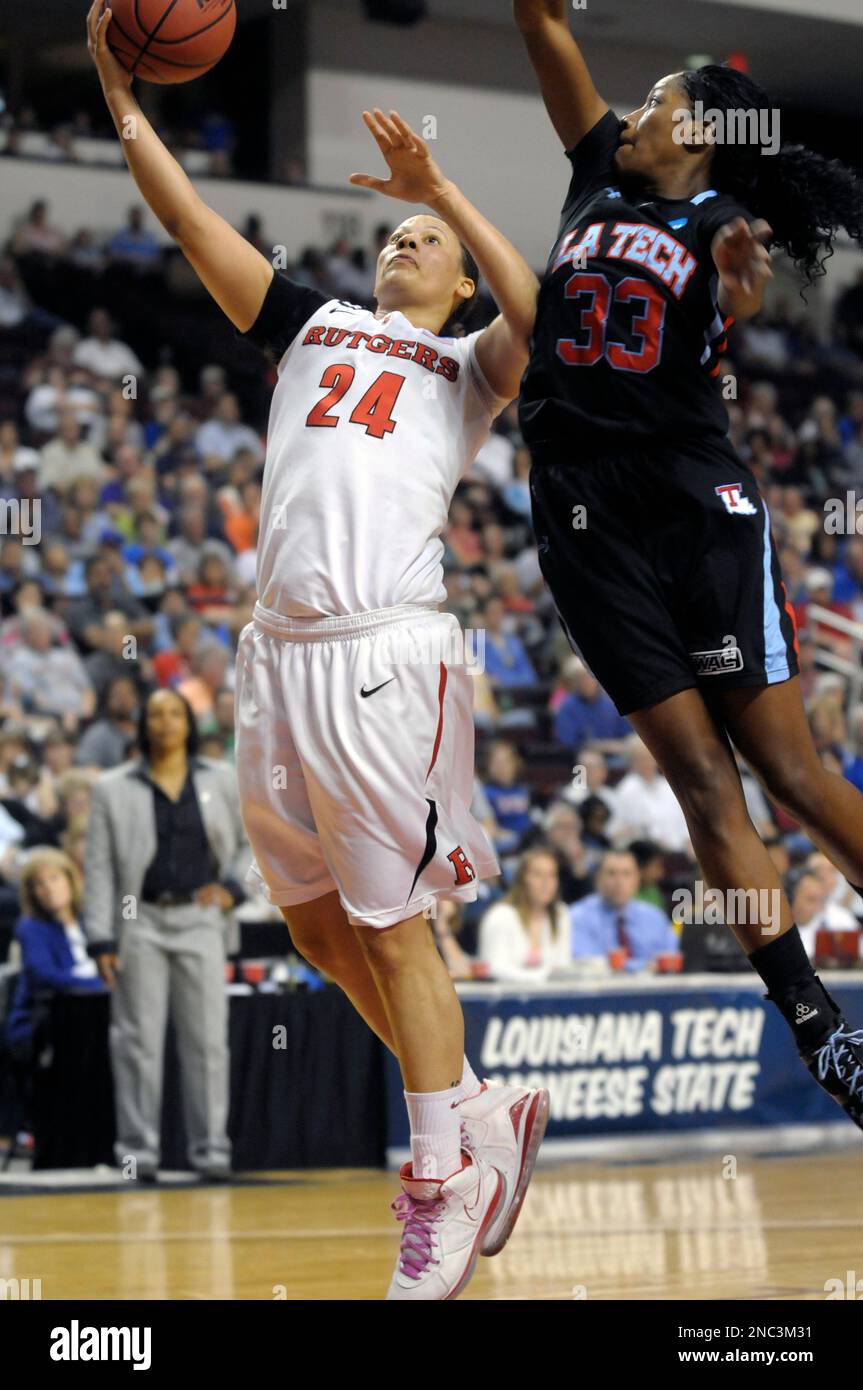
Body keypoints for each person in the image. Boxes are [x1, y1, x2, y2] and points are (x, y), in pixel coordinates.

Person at [87, 0, 546, 1300]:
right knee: (308, 925)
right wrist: (125, 102)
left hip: (379, 658)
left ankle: (438, 1185)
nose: (400, 243)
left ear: (454, 279)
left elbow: (543, 313)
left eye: (424, 241)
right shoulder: (312, 323)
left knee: (397, 931)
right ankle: (477, 1111)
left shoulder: (465, 362)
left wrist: (441, 181)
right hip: (273, 660)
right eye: (394, 232)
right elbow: (187, 224)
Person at [515, 0, 863, 1126]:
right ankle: (819, 1030)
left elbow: (731, 299)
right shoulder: (591, 170)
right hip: (579, 511)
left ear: (702, 130)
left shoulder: (720, 222)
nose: (639, 112)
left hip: (690, 508)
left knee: (791, 779)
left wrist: (733, 291)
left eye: (661, 100)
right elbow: (540, 25)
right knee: (700, 785)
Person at [82, 688, 248, 1182]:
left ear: (188, 724)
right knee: (137, 1043)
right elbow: (99, 870)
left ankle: (211, 1153)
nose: (165, 722)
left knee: (207, 1044)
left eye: (175, 713)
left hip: (200, 918)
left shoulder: (222, 781)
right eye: (155, 714)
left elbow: (253, 842)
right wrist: (100, 939)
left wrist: (234, 888)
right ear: (143, 725)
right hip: (140, 921)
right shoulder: (112, 787)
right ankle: (138, 1154)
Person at [5, 849, 106, 1138]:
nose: (48, 889)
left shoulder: (92, 922)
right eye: (38, 884)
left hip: (91, 1017)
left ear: (70, 880)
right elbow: (44, 976)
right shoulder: (31, 928)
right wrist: (101, 985)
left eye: (54, 879)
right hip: (42, 1024)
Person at [569, 849, 678, 972]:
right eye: (612, 873)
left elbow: (672, 958)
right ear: (598, 878)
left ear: (637, 879)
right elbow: (587, 964)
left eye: (626, 874)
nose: (619, 882)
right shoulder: (577, 917)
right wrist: (644, 967)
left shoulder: (655, 917)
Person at [478, 847, 572, 981]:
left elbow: (562, 965)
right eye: (538, 874)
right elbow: (493, 969)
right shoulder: (500, 916)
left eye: (552, 875)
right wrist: (543, 975)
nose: (546, 882)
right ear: (523, 879)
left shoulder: (560, 914)